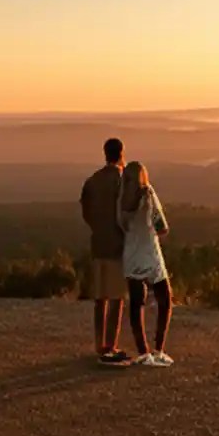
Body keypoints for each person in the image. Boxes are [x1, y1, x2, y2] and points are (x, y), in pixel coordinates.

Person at [118, 161, 174, 367]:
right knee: (165, 300)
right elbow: (162, 226)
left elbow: (121, 226)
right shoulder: (148, 194)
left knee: (136, 303)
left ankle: (143, 353)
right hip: (150, 254)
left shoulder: (121, 199)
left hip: (131, 255)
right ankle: (159, 349)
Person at [79, 138, 130, 365]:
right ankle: (111, 345)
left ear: (104, 153)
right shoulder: (122, 180)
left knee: (100, 297)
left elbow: (86, 211)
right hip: (117, 246)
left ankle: (99, 343)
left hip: (97, 243)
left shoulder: (92, 180)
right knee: (117, 297)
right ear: (121, 153)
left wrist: (97, 227)